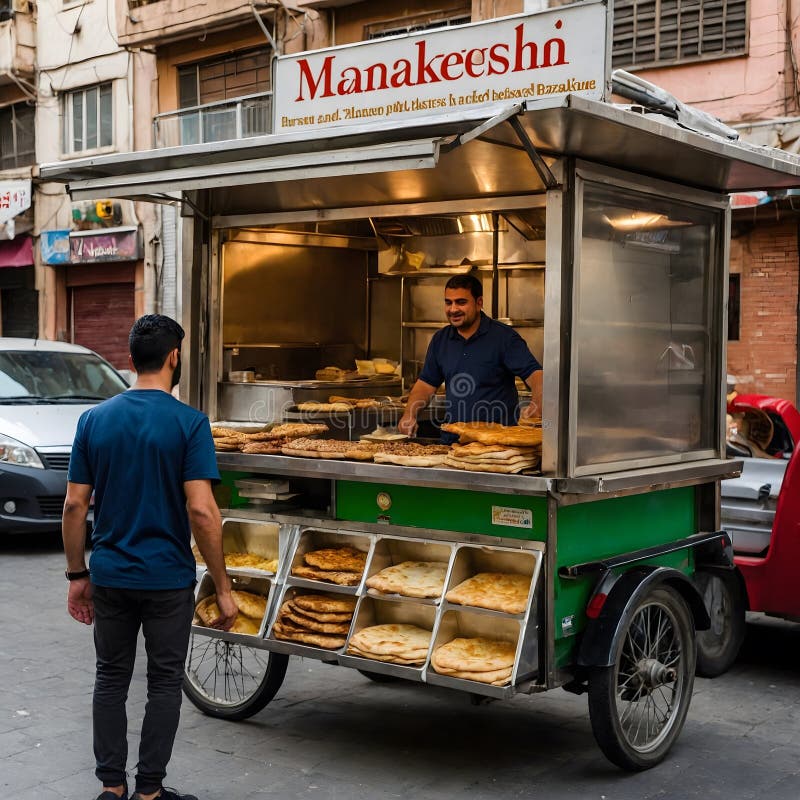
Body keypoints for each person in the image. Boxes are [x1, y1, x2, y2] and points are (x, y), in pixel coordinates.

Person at [62, 314, 238, 800]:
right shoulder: (189, 423)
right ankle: (150, 793)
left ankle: (111, 789)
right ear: (174, 357)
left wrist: (78, 574)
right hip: (167, 580)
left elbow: (75, 505)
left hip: (112, 575)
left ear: (132, 359)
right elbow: (202, 510)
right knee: (163, 682)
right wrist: (222, 587)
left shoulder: (94, 420)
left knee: (110, 679)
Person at [398, 274, 542, 440]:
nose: (453, 309)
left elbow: (536, 374)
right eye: (448, 302)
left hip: (496, 445)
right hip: (453, 443)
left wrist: (537, 403)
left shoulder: (504, 338)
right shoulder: (440, 339)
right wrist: (409, 414)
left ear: (479, 303)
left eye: (461, 302)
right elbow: (425, 384)